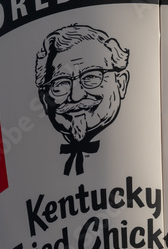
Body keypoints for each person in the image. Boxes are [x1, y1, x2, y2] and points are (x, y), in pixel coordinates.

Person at [34, 24, 130, 175]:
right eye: (61, 83)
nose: (76, 96)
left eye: (91, 76)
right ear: (44, 99)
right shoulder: (33, 172)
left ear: (121, 83)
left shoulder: (143, 152)